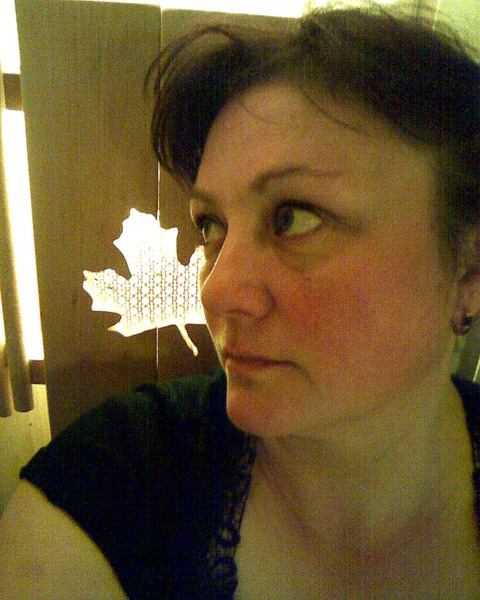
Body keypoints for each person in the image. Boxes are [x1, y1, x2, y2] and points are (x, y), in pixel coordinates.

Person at [1, 2, 480, 598]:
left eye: (293, 217)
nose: (216, 289)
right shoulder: (113, 483)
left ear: (470, 269)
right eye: (211, 227)